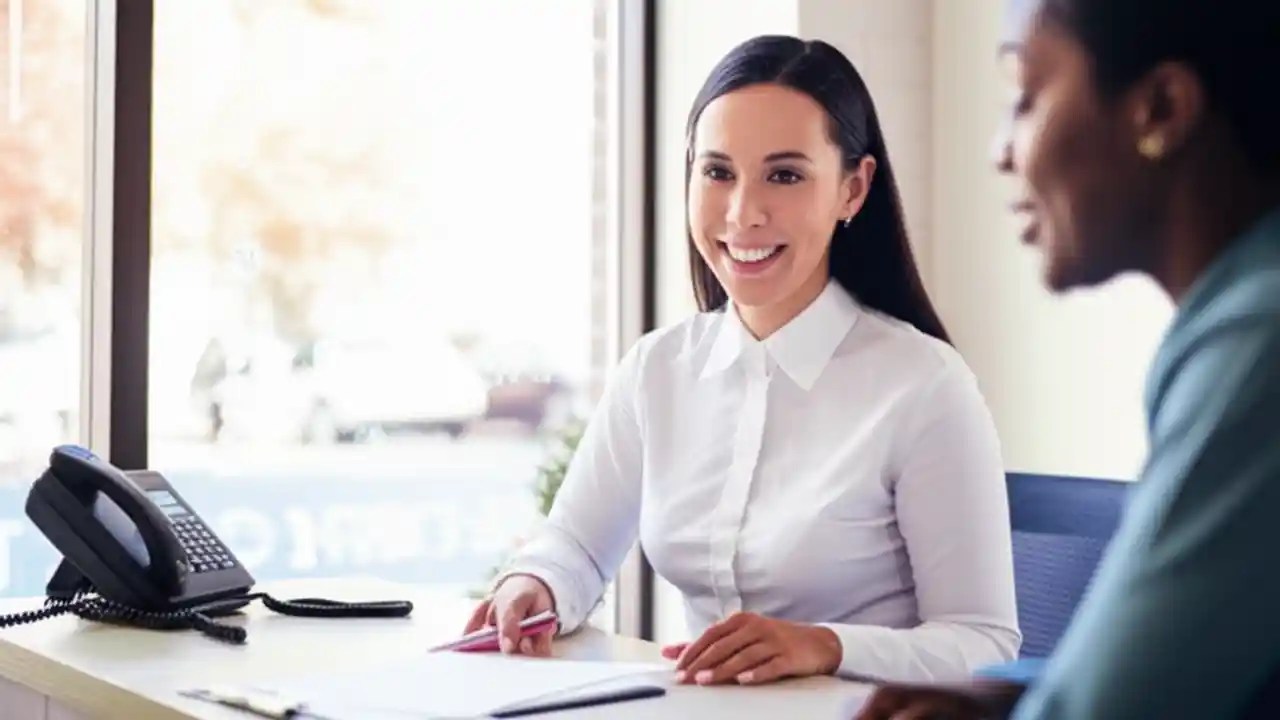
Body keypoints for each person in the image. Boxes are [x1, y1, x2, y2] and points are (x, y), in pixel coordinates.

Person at [464, 35, 1020, 686]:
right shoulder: (657, 370)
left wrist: (826, 646)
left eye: (784, 175)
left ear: (853, 189)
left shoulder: (923, 387)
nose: (742, 213)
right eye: (718, 172)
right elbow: (578, 546)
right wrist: (538, 583)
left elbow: (983, 647)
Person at [857, 0, 1280, 717]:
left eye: (1026, 96)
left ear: (1161, 108)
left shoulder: (1257, 346)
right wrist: (1011, 698)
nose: (1001, 150)